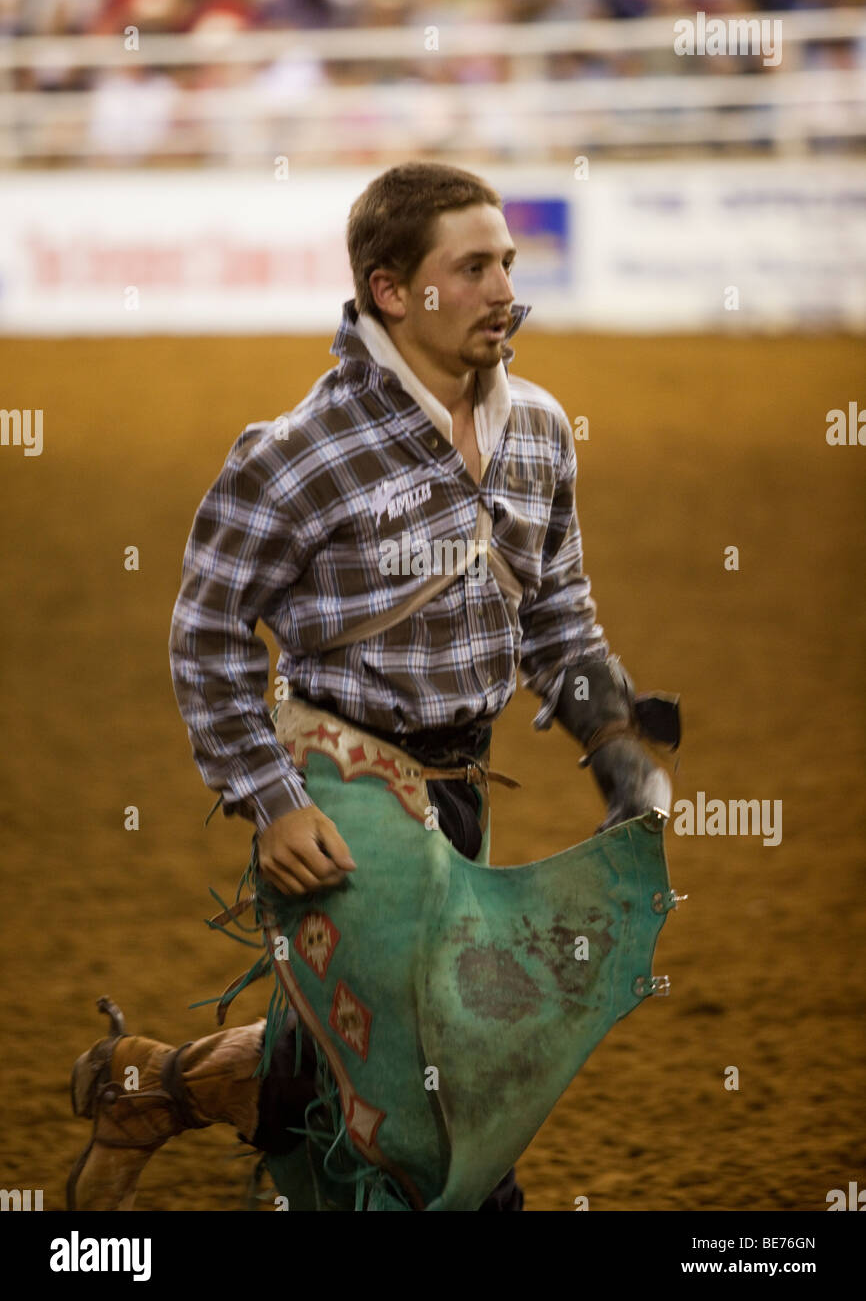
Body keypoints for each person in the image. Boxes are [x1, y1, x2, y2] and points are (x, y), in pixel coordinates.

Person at [67, 161, 678, 1213]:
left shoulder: (536, 429)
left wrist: (612, 740)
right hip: (334, 791)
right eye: (472, 266)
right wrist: (270, 800)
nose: (503, 288)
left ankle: (153, 1085)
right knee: (437, 1091)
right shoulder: (294, 454)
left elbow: (556, 610)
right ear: (391, 289)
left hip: (461, 782)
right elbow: (206, 629)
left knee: (346, 1053)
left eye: (508, 263)